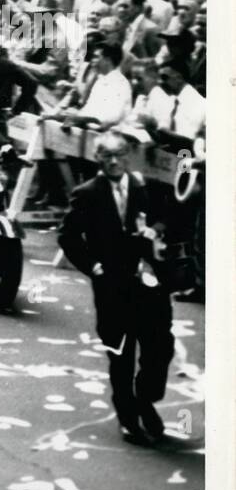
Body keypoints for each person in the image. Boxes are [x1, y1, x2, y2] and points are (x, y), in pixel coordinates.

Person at [58, 131, 174, 446]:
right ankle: (128, 418)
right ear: (98, 159)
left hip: (147, 281)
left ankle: (145, 398)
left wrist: (155, 230)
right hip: (112, 286)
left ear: (128, 157)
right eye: (106, 156)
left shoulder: (143, 187)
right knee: (120, 354)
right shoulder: (87, 193)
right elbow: (67, 237)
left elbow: (165, 218)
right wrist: (94, 268)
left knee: (160, 346)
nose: (113, 162)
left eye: (119, 155)